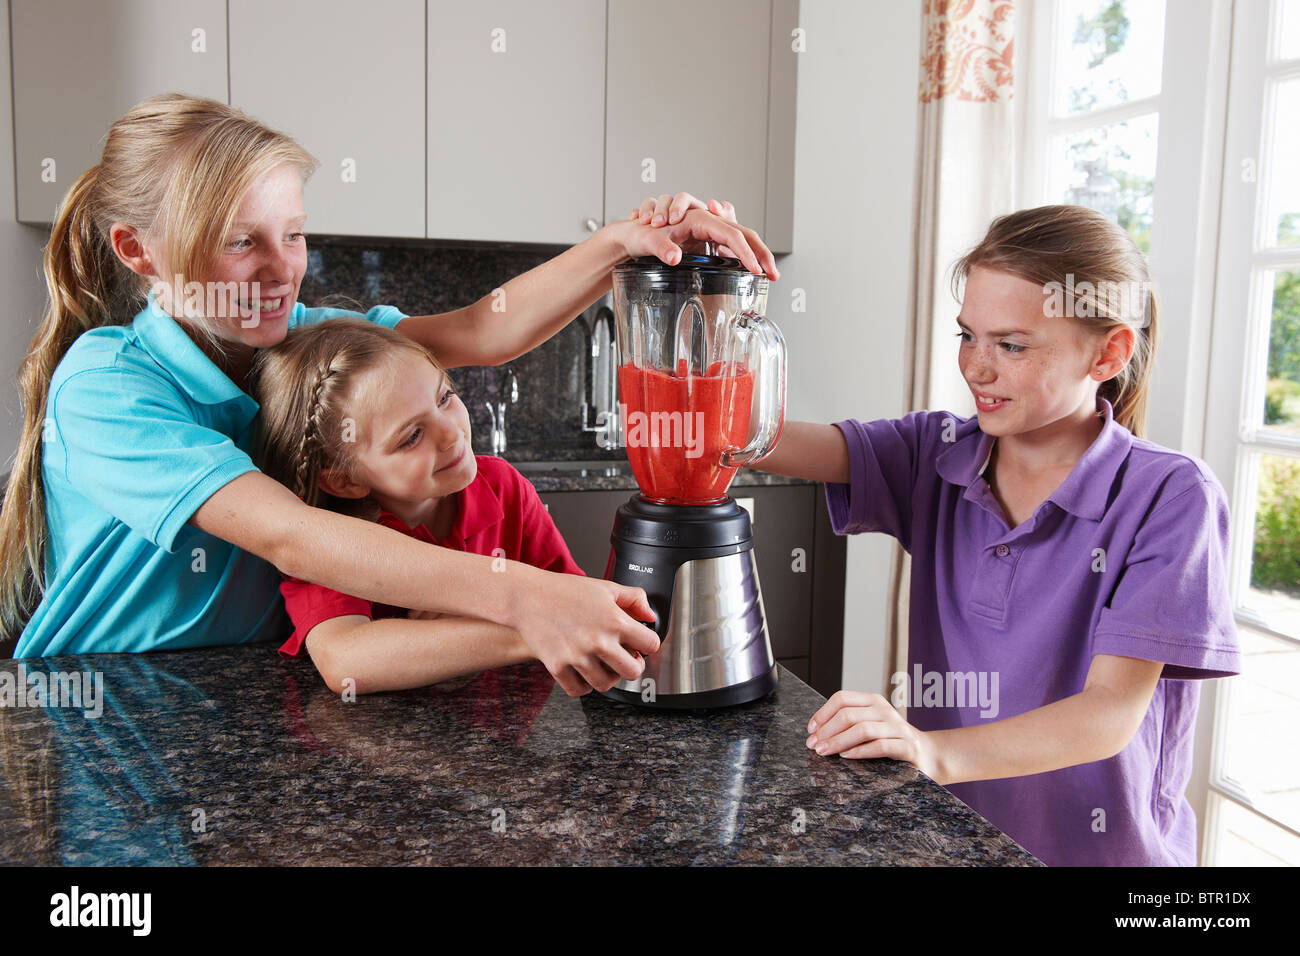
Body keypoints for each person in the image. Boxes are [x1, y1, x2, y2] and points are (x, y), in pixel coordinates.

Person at [0, 93, 777, 700]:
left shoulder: (300, 339)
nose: (283, 270)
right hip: (109, 706)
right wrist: (522, 602)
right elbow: (293, 537)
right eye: (242, 242)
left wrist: (625, 244)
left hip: (249, 691)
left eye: (293, 234)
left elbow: (480, 331)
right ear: (138, 249)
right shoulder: (108, 389)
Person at [745, 205, 1241, 866]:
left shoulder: (1172, 497)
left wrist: (932, 751)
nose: (975, 368)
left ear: (1109, 352)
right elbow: (749, 437)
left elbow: (1109, 713)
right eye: (966, 335)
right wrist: (688, 281)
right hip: (957, 845)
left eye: (1010, 345)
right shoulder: (935, 452)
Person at [247, 317, 588, 694]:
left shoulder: (503, 486)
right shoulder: (328, 535)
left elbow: (577, 602)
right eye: (411, 437)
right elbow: (346, 660)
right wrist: (528, 625)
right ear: (345, 480)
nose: (451, 433)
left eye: (445, 398)